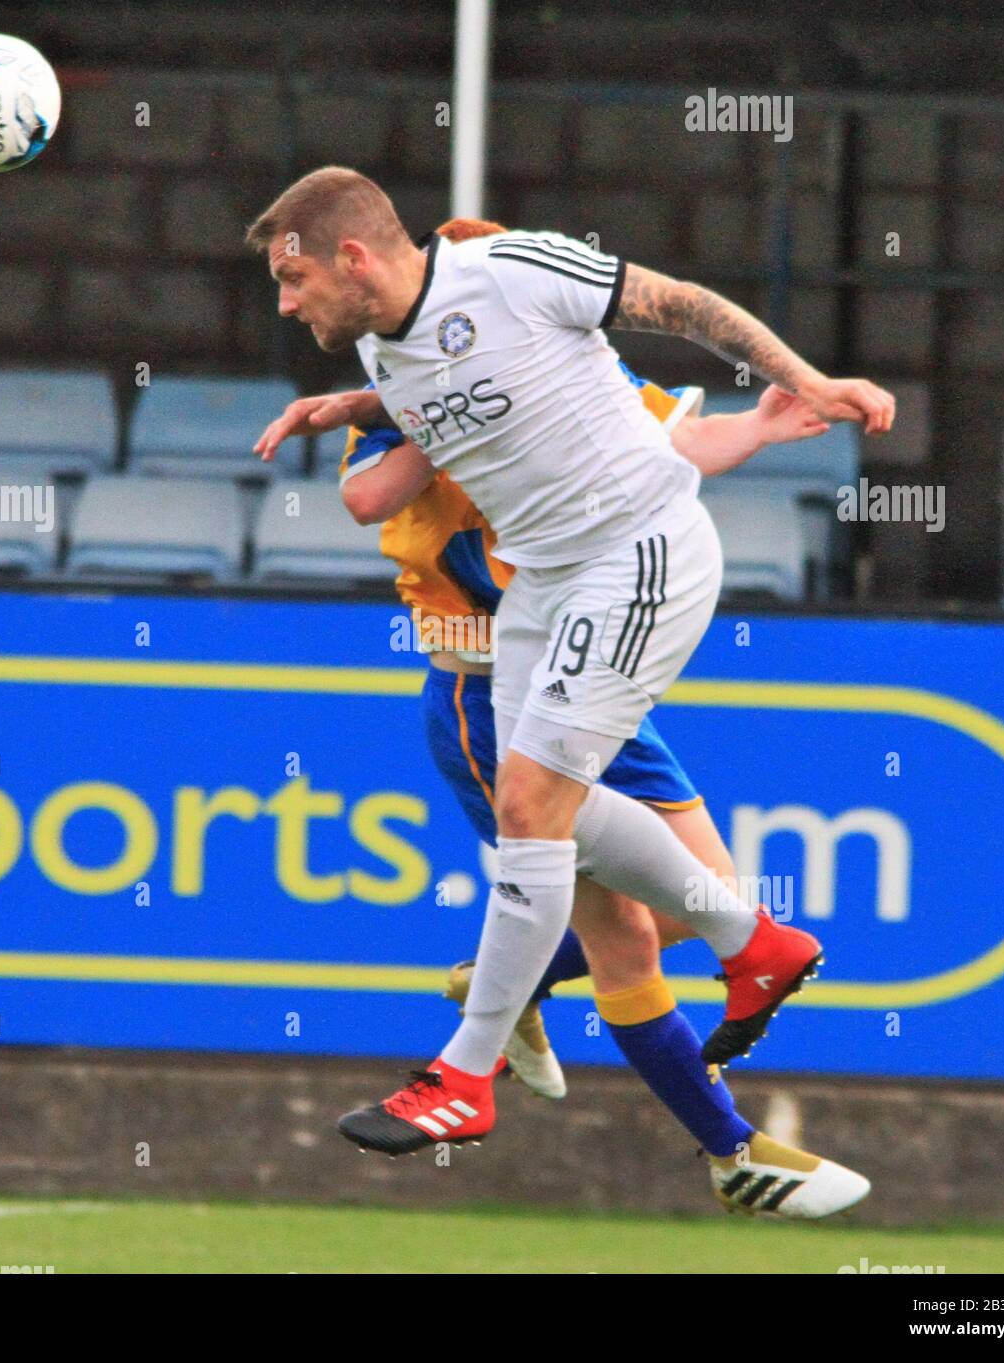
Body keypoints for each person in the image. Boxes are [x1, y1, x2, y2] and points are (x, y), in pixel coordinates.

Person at [246, 166, 895, 1158]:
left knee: (534, 812)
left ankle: (465, 1072)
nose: (287, 303)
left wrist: (805, 385)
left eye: (293, 280)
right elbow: (429, 403)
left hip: (636, 554)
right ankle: (752, 945)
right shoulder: (384, 343)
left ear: (353, 256)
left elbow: (683, 307)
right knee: (536, 812)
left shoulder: (508, 265)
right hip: (547, 585)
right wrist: (347, 408)